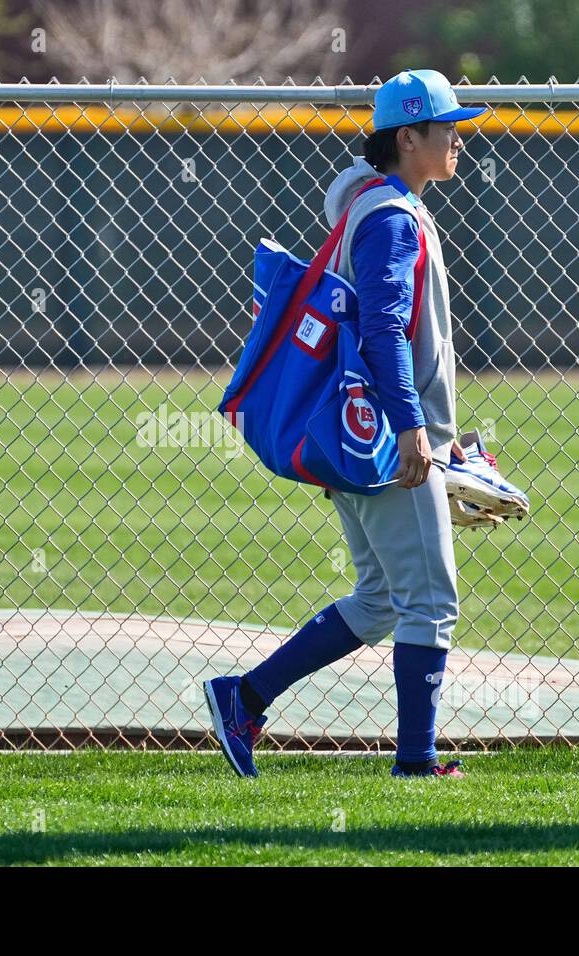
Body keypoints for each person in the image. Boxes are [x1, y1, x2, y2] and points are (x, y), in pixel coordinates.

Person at [204, 69, 486, 779]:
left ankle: (244, 696)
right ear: (408, 136)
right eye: (445, 126)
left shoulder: (373, 204)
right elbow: (385, 330)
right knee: (428, 600)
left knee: (381, 599)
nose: (458, 136)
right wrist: (413, 429)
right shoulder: (391, 216)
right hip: (386, 435)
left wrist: (439, 443)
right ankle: (415, 763)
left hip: (363, 430)